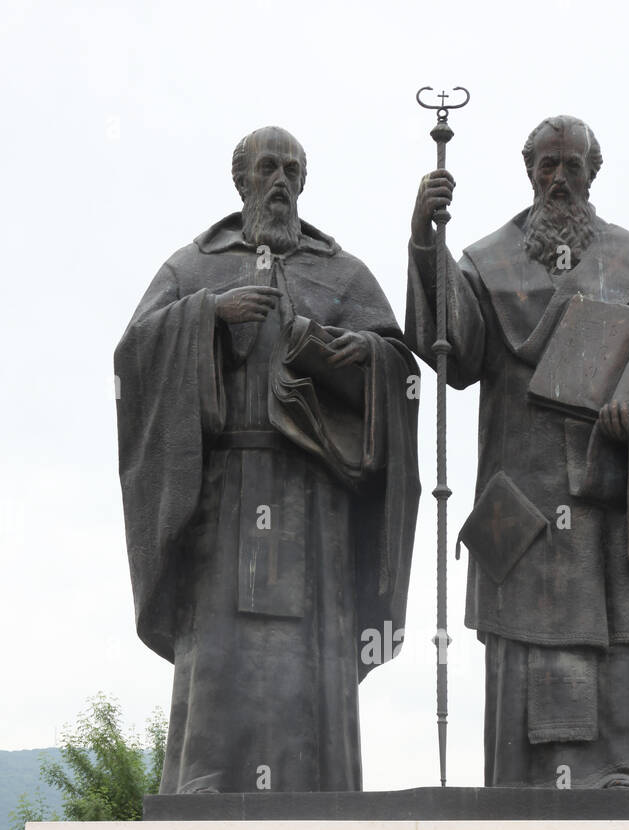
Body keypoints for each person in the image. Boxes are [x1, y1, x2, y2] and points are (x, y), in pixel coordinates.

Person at [117, 126, 419, 794]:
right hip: (223, 498)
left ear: (304, 183)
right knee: (222, 654)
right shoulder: (191, 268)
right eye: (265, 169)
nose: (278, 182)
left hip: (315, 500)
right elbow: (133, 359)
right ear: (241, 181)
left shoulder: (344, 273)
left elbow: (398, 368)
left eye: (290, 170)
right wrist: (207, 317)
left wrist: (327, 348)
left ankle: (318, 789)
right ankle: (206, 789)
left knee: (308, 660)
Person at [406, 114, 629, 790]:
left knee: (615, 636)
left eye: (572, 166)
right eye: (547, 165)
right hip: (520, 501)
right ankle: (524, 785)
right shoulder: (485, 262)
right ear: (528, 170)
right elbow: (456, 351)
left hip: (605, 499)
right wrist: (425, 241)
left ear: (594, 172)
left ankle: (622, 777)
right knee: (522, 640)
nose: (559, 179)